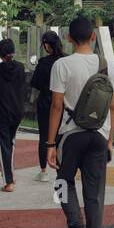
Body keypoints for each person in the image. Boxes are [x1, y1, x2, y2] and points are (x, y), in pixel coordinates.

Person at [48, 17, 114, 228]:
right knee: (95, 193)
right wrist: (110, 139)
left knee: (61, 182)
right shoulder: (106, 64)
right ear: (93, 36)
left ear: (68, 37)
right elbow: (112, 105)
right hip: (99, 137)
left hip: (70, 136)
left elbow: (57, 105)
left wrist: (49, 144)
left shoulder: (61, 65)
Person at [0, 38, 27, 193]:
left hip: (0, 113)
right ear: (13, 51)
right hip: (17, 111)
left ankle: (8, 181)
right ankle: (11, 174)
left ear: (0, 53)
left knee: (3, 146)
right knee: (11, 143)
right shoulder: (21, 68)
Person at [29, 30, 64, 183]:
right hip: (64, 103)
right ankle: (62, 169)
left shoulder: (43, 63)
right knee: (62, 137)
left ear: (47, 46)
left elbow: (34, 83)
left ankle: (43, 171)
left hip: (46, 103)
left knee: (44, 137)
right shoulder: (66, 60)